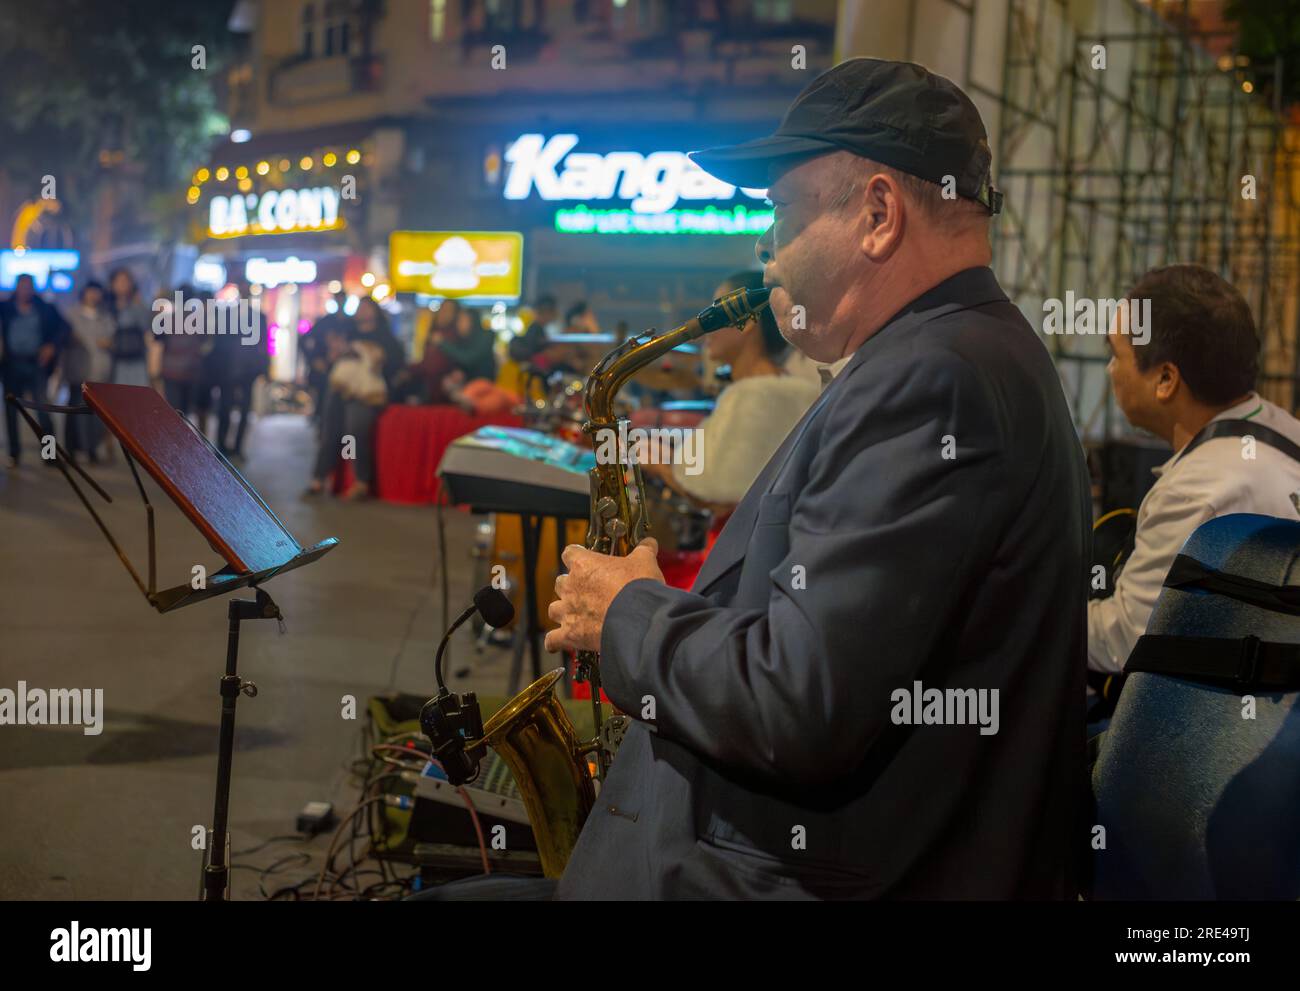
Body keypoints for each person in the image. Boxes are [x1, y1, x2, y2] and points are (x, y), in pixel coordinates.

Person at [544, 58, 1091, 899]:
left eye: (782, 217)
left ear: (877, 213)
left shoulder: (931, 377)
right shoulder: (954, 353)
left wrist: (629, 613)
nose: (771, 258)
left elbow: (801, 702)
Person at [1088, 264, 1300, 674]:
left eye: (1116, 355)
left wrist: (1037, 618)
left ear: (1166, 378)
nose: (1110, 370)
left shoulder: (1193, 491)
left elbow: (1126, 641)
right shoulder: (1286, 430)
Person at [641, 269, 820, 509]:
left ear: (745, 322)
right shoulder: (778, 387)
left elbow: (717, 495)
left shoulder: (756, 396)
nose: (705, 324)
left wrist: (656, 464)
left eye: (716, 311)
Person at [308, 296, 404, 499]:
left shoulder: (386, 339)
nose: (363, 311)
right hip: (339, 387)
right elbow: (324, 352)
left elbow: (395, 366)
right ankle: (318, 478)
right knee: (329, 431)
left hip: (365, 394)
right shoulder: (346, 332)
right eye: (360, 307)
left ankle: (360, 482)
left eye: (367, 307)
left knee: (355, 433)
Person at [0, 273, 68, 468]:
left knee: (43, 412)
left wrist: (51, 346)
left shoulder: (44, 308)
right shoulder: (5, 308)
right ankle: (14, 454)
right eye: (22, 286)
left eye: (29, 286)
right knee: (11, 413)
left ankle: (50, 455)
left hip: (36, 365)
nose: (25, 290)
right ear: (16, 288)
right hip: (11, 365)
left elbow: (64, 328)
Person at [62, 280, 115, 460]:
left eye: (97, 291)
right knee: (74, 411)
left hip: (99, 372)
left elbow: (111, 339)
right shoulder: (71, 315)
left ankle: (92, 449)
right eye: (90, 291)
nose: (93, 295)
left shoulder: (105, 316)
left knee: (96, 414)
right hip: (77, 370)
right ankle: (71, 448)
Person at [106, 267, 151, 389]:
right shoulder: (105, 306)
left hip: (135, 360)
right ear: (112, 284)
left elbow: (146, 326)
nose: (122, 285)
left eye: (126, 281)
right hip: (110, 362)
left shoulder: (138, 306)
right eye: (119, 281)